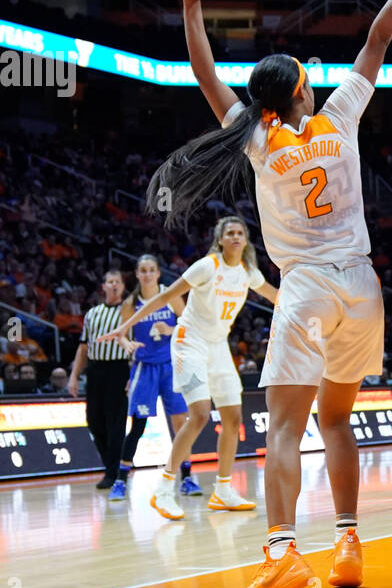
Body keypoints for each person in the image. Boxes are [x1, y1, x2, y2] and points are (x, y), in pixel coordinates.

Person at [120, 0, 392, 588]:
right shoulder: (344, 115)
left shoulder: (258, 139)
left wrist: (189, 6)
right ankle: (349, 544)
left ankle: (282, 555)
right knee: (336, 423)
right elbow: (380, 35)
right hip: (362, 286)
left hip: (307, 290)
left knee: (289, 430)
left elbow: (206, 76)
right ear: (300, 92)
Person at [102, 220, 275, 514]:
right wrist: (125, 327)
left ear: (246, 241)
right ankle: (164, 488)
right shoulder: (207, 266)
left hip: (218, 345)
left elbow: (276, 296)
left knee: (233, 417)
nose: (235, 237)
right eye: (229, 233)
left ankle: (222, 490)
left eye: (240, 233)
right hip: (188, 342)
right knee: (199, 415)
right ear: (220, 239)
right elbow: (164, 298)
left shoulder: (248, 272)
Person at [109, 254, 194, 502]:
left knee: (180, 424)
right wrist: (127, 343)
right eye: (142, 270)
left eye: (151, 270)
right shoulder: (131, 302)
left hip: (171, 366)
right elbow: (121, 334)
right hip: (144, 367)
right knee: (137, 426)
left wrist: (172, 329)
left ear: (158, 273)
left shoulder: (170, 295)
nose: (147, 274)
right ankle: (121, 480)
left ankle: (187, 477)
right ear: (137, 274)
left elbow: (190, 323)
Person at [68, 270, 133, 489]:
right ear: (103, 286)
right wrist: (74, 376)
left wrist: (133, 375)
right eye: (110, 282)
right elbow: (83, 347)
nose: (114, 285)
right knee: (94, 421)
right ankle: (111, 467)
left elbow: (136, 348)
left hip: (120, 369)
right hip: (95, 370)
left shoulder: (130, 312)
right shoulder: (92, 313)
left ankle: (112, 472)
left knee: (116, 424)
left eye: (118, 282)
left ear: (123, 287)